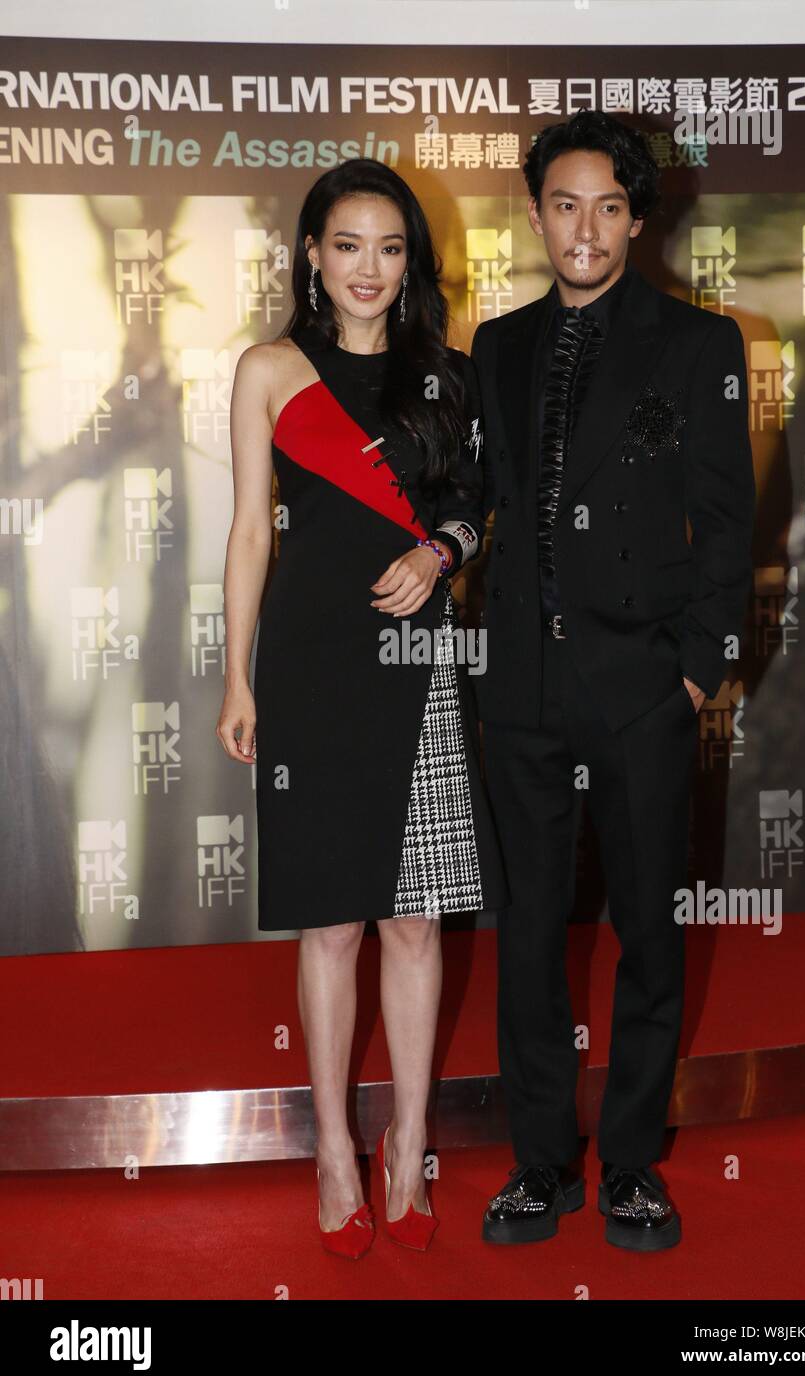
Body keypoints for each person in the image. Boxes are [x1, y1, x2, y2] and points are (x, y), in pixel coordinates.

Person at [471, 111, 755, 1250]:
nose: (582, 228)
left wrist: (692, 675)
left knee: (647, 932)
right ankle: (541, 1163)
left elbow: (728, 527)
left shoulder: (698, 344)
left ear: (636, 218)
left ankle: (631, 1164)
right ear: (535, 213)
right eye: (561, 204)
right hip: (521, 690)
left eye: (606, 206)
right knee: (529, 935)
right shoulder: (495, 345)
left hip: (640, 686)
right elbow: (477, 500)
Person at [217, 159, 507, 1258]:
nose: (368, 269)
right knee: (332, 920)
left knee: (417, 917)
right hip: (309, 661)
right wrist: (237, 673)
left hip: (417, 661)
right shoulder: (266, 370)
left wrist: (438, 554)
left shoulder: (450, 376)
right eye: (347, 245)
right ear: (310, 254)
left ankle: (408, 1141)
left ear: (411, 262)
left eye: (389, 248)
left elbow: (477, 507)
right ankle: (335, 1147)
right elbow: (251, 532)